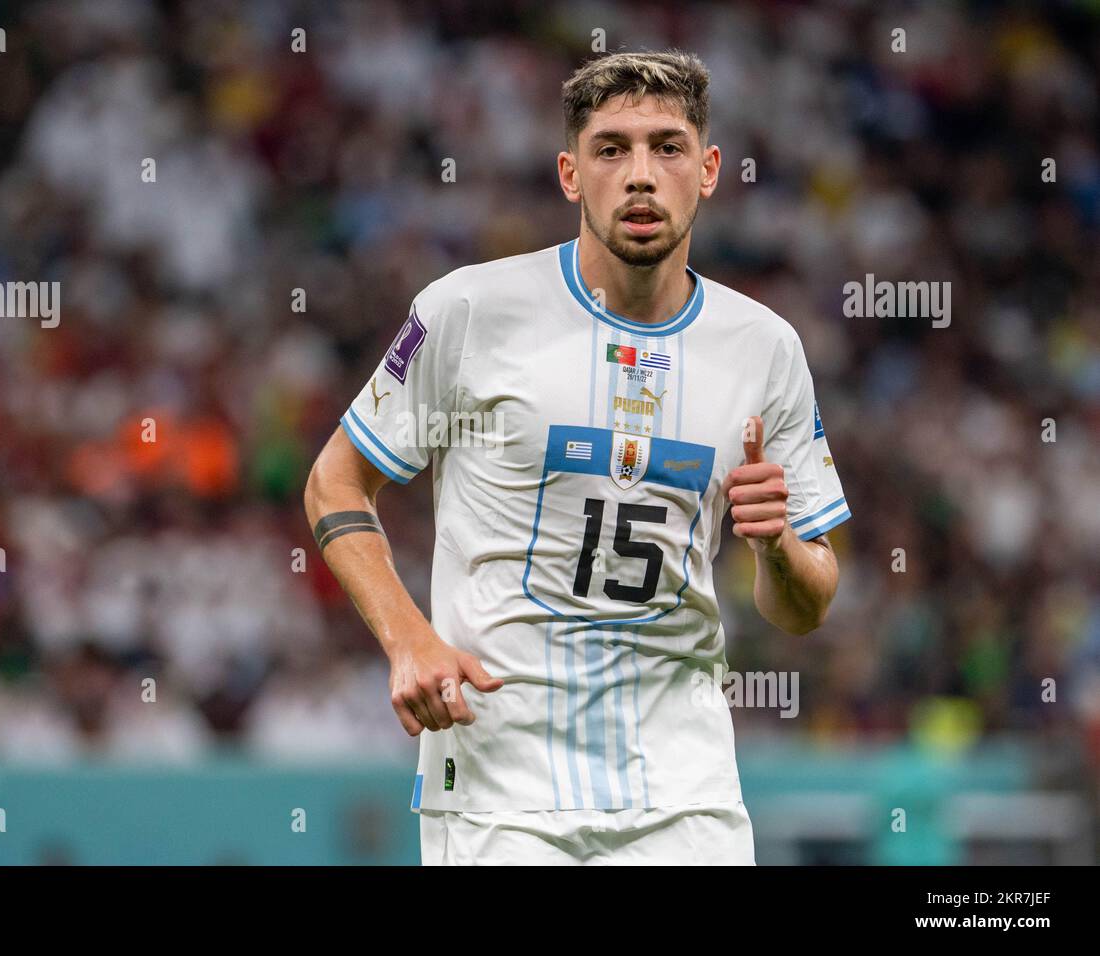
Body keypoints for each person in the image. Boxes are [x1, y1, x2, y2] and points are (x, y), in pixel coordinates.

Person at [303, 50, 850, 865]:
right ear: (569, 173)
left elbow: (804, 607)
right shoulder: (469, 310)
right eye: (610, 149)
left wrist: (775, 548)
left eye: (666, 148)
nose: (639, 175)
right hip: (499, 788)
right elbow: (334, 480)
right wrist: (407, 638)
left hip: (684, 792)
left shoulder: (764, 349)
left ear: (706, 172)